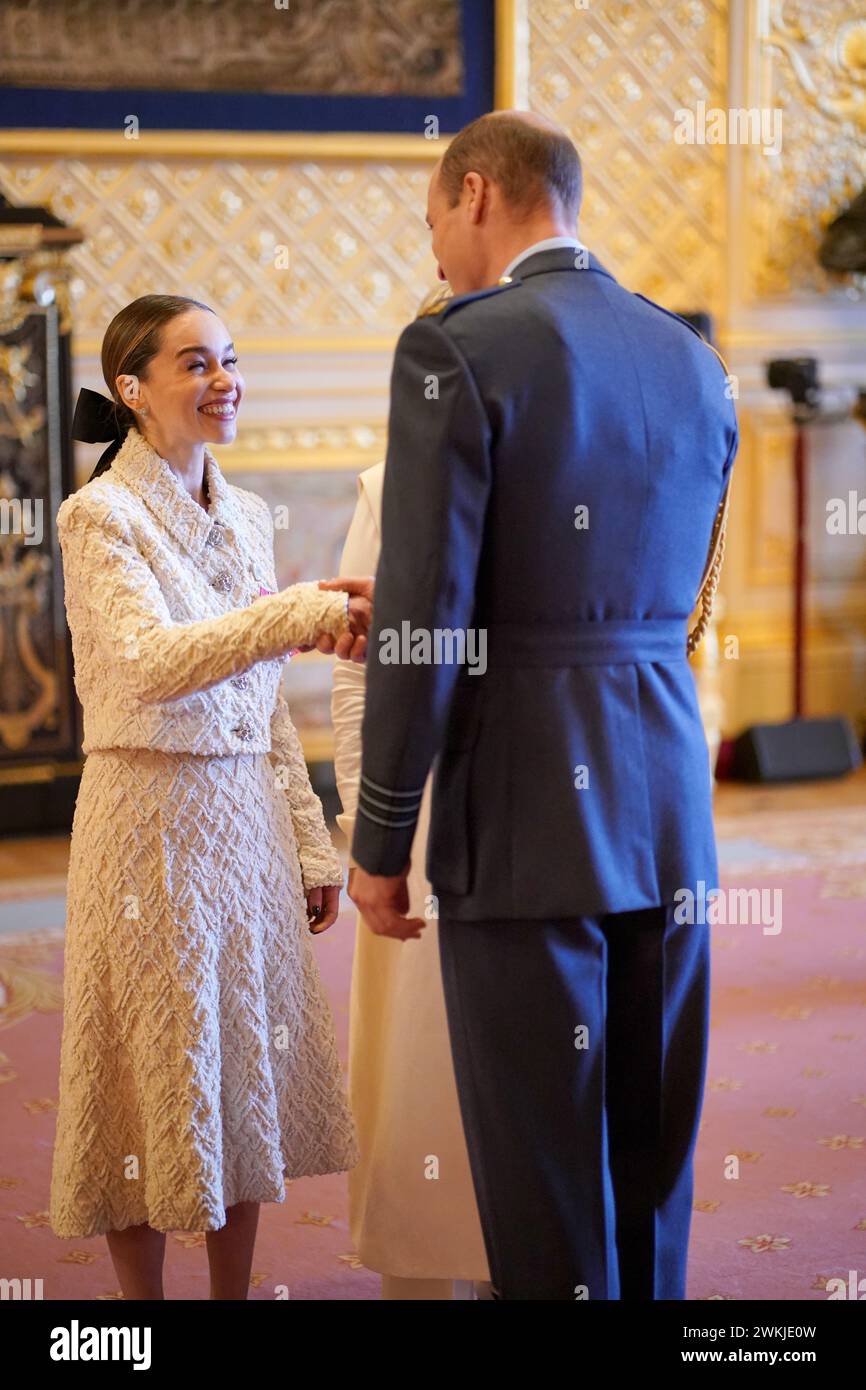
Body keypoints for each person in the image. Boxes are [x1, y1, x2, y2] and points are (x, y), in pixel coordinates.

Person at [345, 111, 739, 1300]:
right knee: (649, 1156)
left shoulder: (458, 349)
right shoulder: (687, 357)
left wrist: (377, 834)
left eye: (431, 227)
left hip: (519, 812)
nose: (435, 259)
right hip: (663, 801)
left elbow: (421, 619)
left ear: (475, 194)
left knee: (542, 1179)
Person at [48, 293, 371, 1300]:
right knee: (152, 1071)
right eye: (195, 363)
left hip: (244, 826)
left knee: (239, 1074)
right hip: (146, 823)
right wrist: (293, 612)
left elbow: (265, 699)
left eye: (228, 358)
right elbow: (149, 664)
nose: (223, 379)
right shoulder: (97, 515)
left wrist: (310, 847)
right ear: (133, 390)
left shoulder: (243, 510)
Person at [331, 447, 491, 1301]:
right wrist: (365, 827)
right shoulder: (394, 485)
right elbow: (360, 676)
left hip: (545, 802)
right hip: (421, 799)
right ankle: (423, 1271)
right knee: (419, 1050)